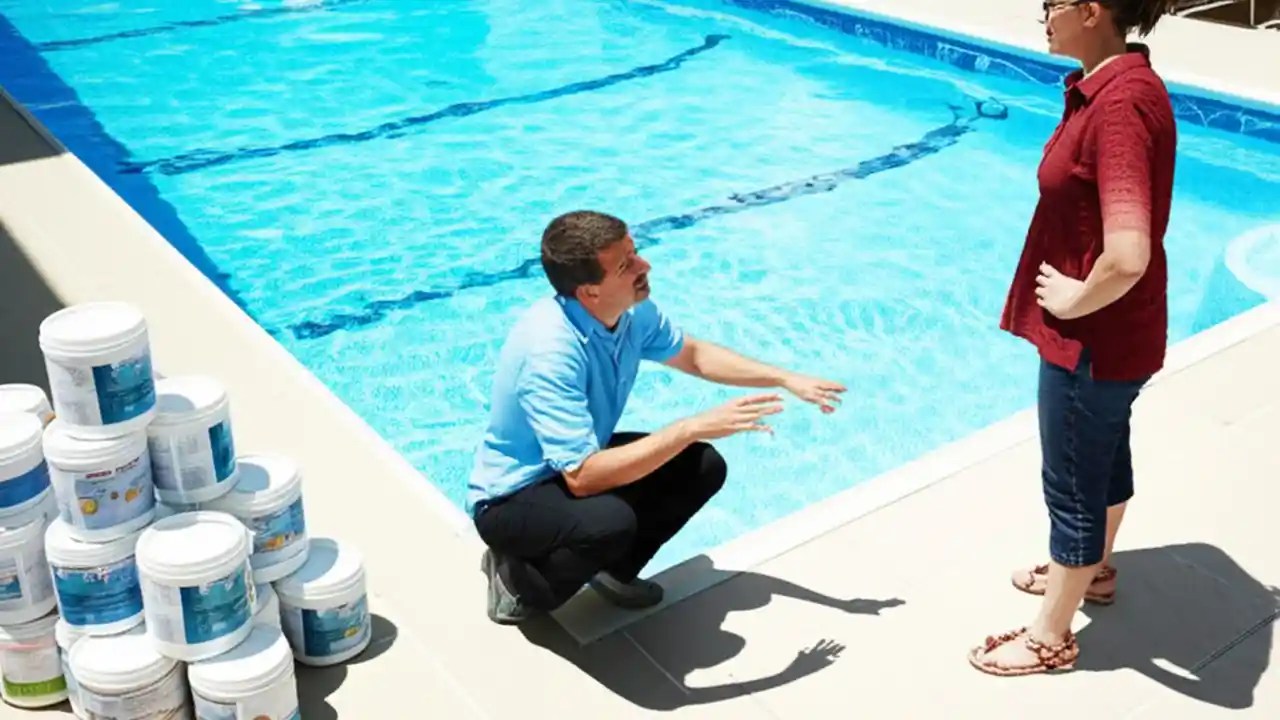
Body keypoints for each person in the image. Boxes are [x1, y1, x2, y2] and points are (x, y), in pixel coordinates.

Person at [468, 210, 846, 624]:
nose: (644, 266)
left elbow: (694, 356)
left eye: (635, 253)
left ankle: (612, 571)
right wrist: (688, 427)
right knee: (610, 523)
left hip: (574, 461)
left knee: (700, 465)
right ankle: (517, 582)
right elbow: (583, 478)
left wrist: (785, 378)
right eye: (626, 265)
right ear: (590, 291)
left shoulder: (630, 313)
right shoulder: (549, 353)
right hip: (513, 496)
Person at [969, 0, 1178, 676]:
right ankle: (1098, 573)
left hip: (1092, 341)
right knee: (1103, 456)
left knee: (1073, 483)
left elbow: (1127, 253)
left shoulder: (1119, 106)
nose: (1043, 14)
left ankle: (1052, 636)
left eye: (1051, 4)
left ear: (1091, 11)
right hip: (1114, 337)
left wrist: (1075, 298)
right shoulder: (1117, 86)